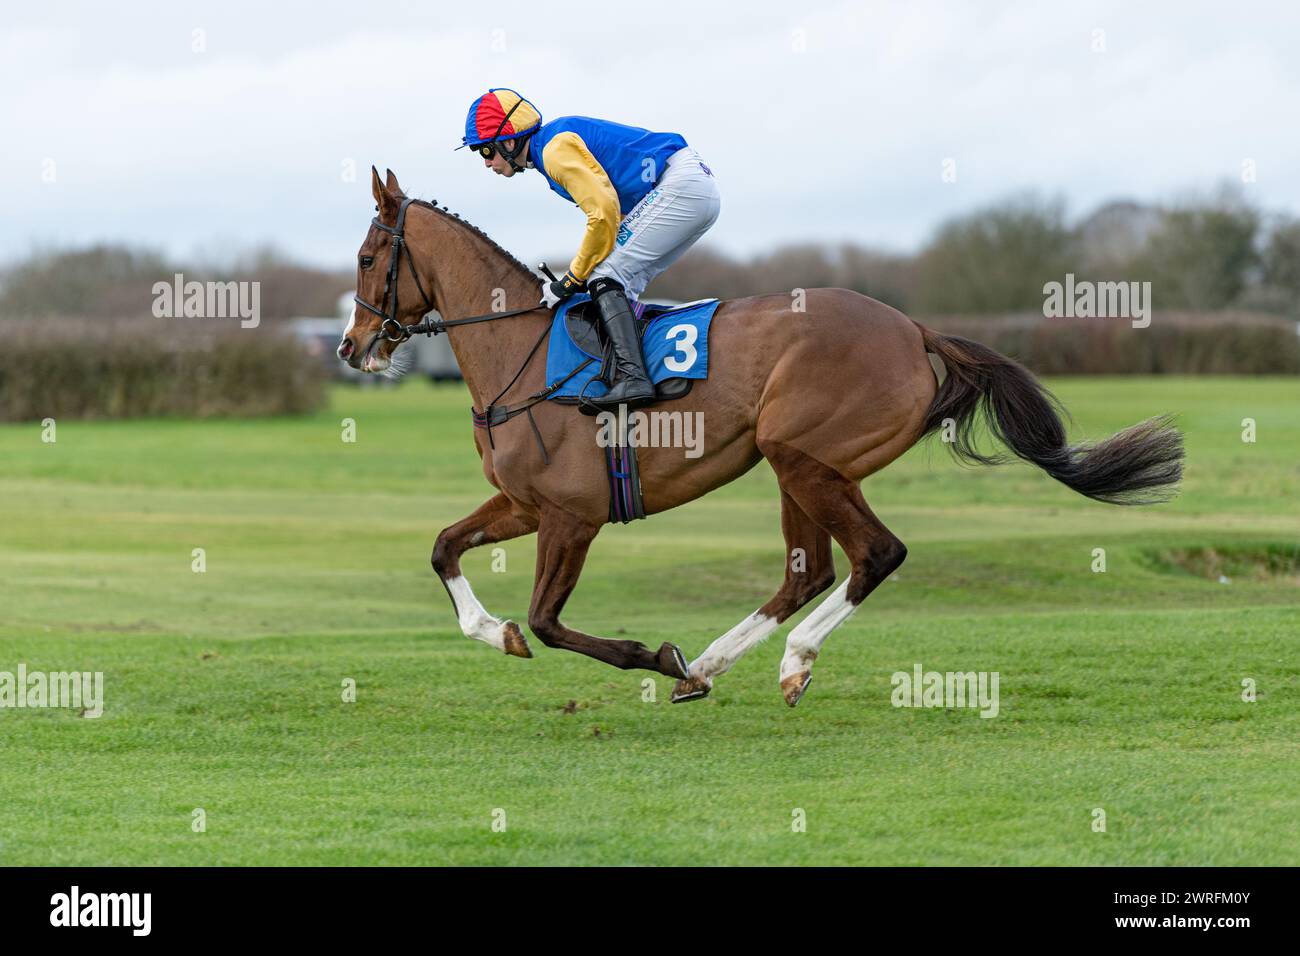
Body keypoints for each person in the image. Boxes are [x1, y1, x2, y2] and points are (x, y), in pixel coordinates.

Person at [458, 88, 721, 411]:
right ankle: (630, 372)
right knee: (618, 280)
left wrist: (570, 279)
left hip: (681, 186)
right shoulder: (549, 149)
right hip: (687, 186)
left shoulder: (554, 151)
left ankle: (633, 378)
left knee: (604, 274)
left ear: (509, 142)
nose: (486, 163)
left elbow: (604, 213)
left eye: (486, 151)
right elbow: (614, 217)